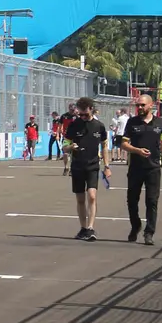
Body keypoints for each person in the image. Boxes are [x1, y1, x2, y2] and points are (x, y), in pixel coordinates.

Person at [120, 93, 162, 245]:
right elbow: (123, 144)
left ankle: (149, 232)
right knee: (132, 201)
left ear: (151, 105)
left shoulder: (160, 123)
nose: (140, 108)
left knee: (152, 201)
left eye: (142, 105)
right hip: (135, 168)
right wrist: (137, 150)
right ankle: (135, 226)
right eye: (138, 105)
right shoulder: (132, 122)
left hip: (153, 169)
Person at [65, 96, 112, 242]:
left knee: (92, 195)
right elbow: (64, 147)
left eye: (85, 114)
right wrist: (70, 147)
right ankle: (83, 228)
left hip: (93, 165)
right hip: (78, 165)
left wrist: (107, 166)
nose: (83, 117)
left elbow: (104, 146)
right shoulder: (74, 125)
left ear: (92, 109)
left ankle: (91, 228)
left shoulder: (99, 126)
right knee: (80, 199)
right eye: (80, 114)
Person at [59, 104, 77, 175]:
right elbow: (60, 126)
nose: (72, 111)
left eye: (73, 109)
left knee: (74, 154)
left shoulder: (77, 116)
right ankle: (66, 167)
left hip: (75, 137)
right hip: (66, 137)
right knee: (65, 153)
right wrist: (59, 133)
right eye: (71, 109)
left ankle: (72, 169)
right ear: (69, 108)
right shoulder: (64, 116)